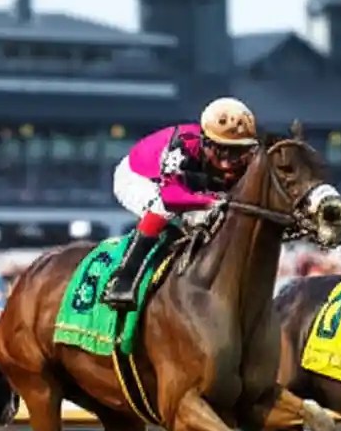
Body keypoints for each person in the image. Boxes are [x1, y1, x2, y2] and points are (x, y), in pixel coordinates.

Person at [103, 97, 260, 309]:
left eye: (236, 152)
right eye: (221, 150)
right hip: (139, 177)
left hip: (186, 180)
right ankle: (123, 280)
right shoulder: (182, 145)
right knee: (163, 209)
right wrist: (212, 201)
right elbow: (172, 198)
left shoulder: (246, 156)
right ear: (205, 140)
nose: (226, 162)